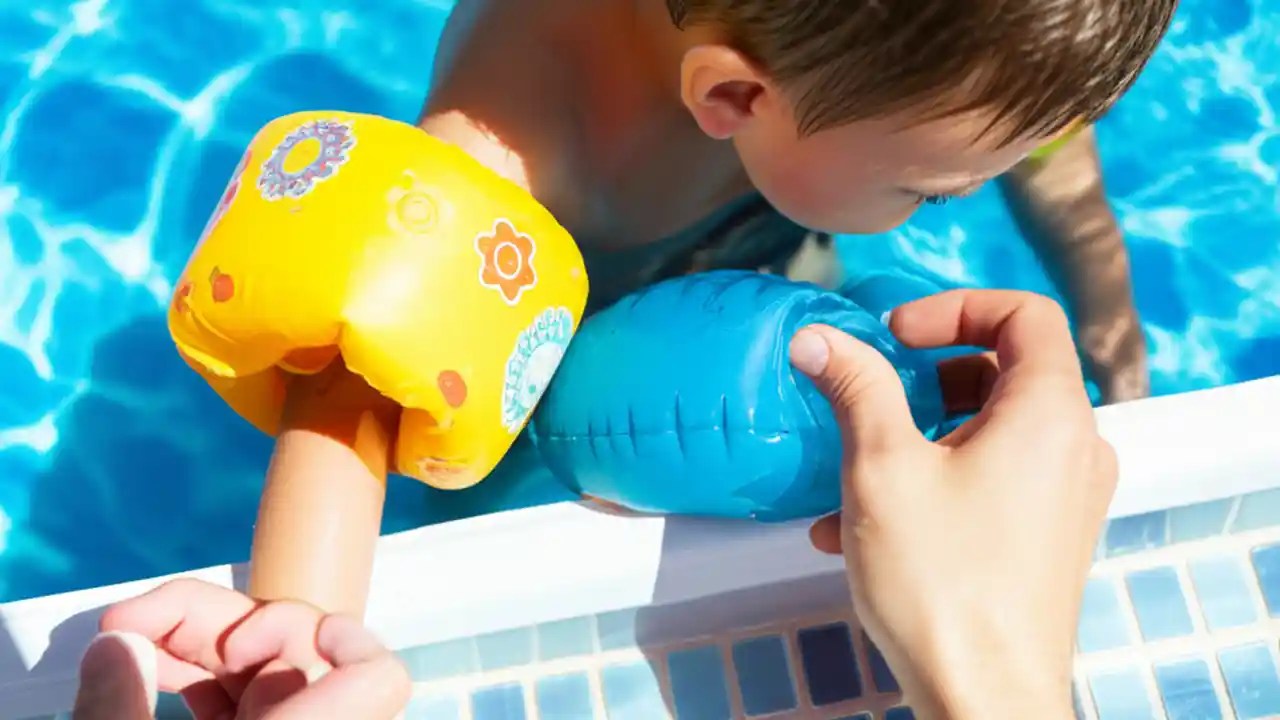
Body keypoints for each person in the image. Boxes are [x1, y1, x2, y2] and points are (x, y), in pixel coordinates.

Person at [73, 288, 1115, 719]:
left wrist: (1106, 320)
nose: (941, 195)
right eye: (924, 187)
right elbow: (351, 374)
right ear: (731, 95)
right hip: (530, 382)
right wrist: (297, 622)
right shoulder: (504, 143)